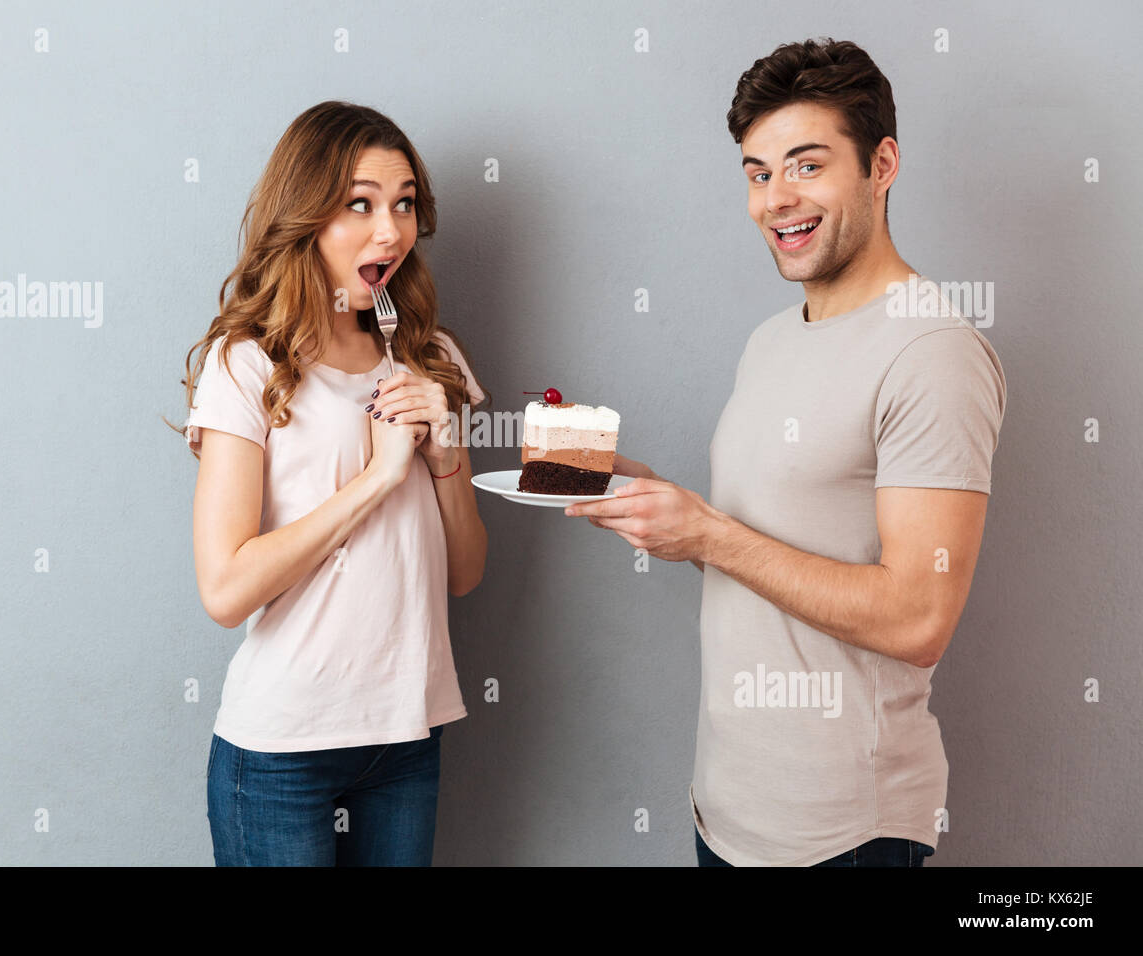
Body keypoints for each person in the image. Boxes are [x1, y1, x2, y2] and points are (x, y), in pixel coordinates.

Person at [565, 38, 1006, 867]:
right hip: (727, 810)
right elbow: (764, 541)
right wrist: (660, 505)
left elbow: (919, 618)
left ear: (882, 164)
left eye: (806, 165)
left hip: (845, 834)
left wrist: (707, 535)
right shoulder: (771, 339)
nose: (777, 198)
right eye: (758, 172)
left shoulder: (933, 350)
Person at [174, 101, 489, 866]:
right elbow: (224, 591)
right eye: (360, 204)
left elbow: (466, 572)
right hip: (283, 749)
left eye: (405, 203)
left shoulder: (430, 355)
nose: (391, 231)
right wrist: (379, 476)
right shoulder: (247, 363)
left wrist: (443, 451)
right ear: (305, 215)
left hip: (407, 738)